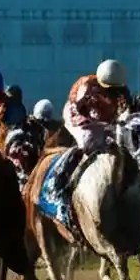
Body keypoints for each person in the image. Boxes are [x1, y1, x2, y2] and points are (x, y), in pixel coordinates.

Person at [50, 59, 133, 204]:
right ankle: (60, 182)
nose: (112, 92)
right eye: (109, 88)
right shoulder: (86, 85)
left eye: (115, 88)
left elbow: (125, 112)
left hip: (101, 119)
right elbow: (79, 110)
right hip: (78, 115)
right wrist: (95, 124)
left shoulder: (121, 91)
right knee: (88, 141)